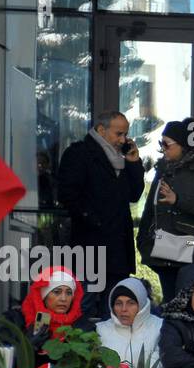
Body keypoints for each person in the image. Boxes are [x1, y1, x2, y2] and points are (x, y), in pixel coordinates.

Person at [56, 110, 145, 319]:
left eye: (125, 134)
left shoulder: (122, 159)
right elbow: (68, 195)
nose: (123, 140)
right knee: (84, 305)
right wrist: (93, 220)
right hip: (90, 243)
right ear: (101, 130)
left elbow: (134, 194)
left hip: (117, 247)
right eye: (118, 134)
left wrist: (133, 163)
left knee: (113, 307)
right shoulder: (79, 154)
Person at [136, 118, 194, 300]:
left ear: (181, 145)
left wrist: (177, 200)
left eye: (166, 144)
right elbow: (150, 208)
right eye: (161, 144)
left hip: (188, 249)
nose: (162, 148)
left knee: (187, 303)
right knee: (169, 302)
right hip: (162, 250)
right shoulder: (163, 168)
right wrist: (142, 240)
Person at [4, 267, 93, 364]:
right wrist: (28, 346)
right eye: (57, 292)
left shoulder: (82, 326)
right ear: (43, 295)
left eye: (69, 293)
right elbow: (2, 364)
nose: (63, 298)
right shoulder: (17, 321)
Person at [94, 276, 162, 368]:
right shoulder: (100, 330)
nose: (124, 309)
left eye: (131, 303)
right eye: (118, 303)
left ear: (141, 304)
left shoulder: (159, 328)